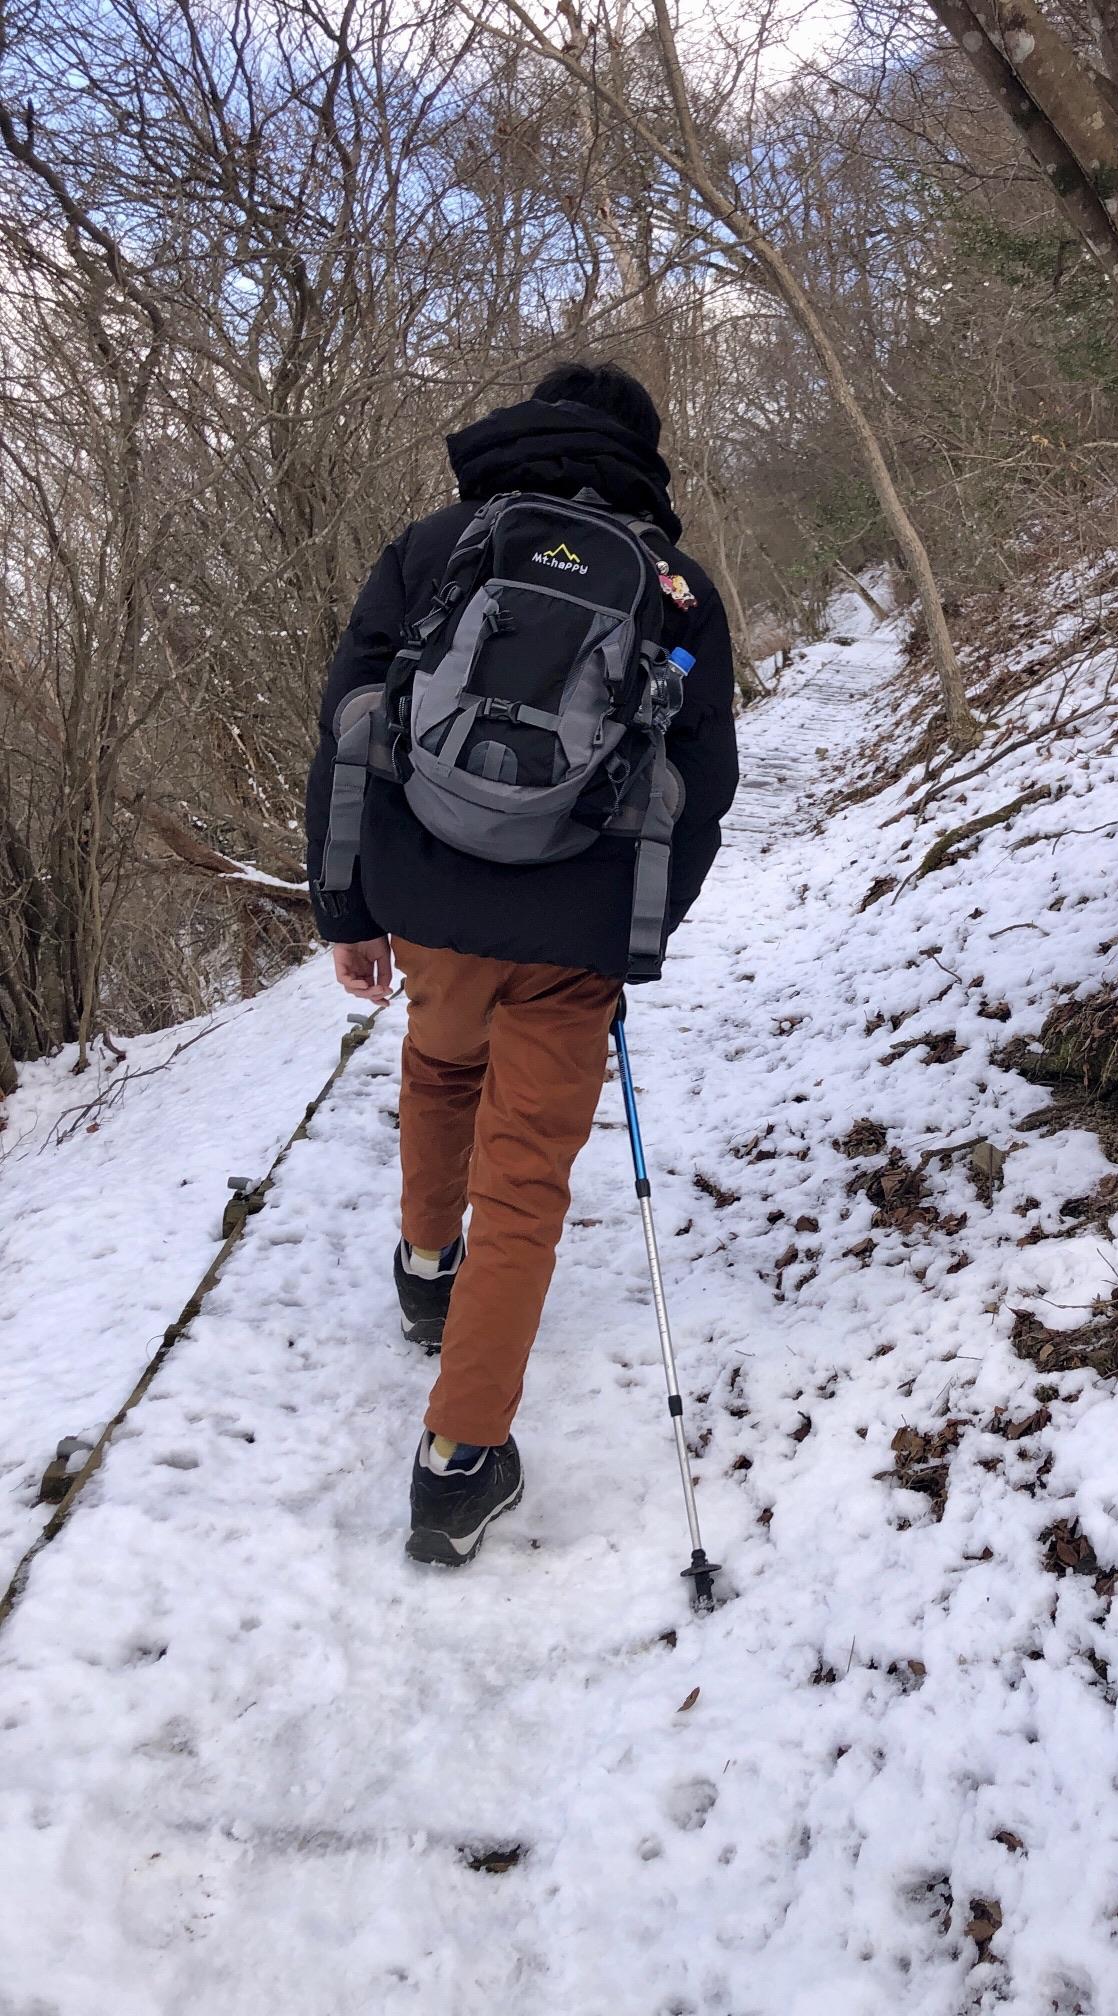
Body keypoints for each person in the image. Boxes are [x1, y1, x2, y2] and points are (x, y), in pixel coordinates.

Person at [304, 363, 739, 1566]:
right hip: (575, 924)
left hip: (428, 891)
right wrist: (637, 931)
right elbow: (703, 788)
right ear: (641, 454)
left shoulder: (437, 544)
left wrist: (348, 904)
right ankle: (458, 1464)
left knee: (441, 1069)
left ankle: (426, 1265)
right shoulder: (676, 587)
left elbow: (349, 722)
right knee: (530, 1176)